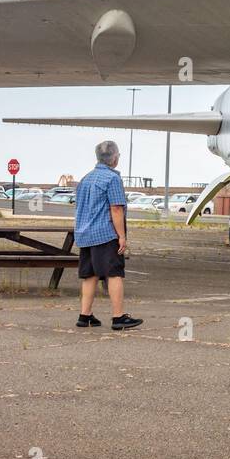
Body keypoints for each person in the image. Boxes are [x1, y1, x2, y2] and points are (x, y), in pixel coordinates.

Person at [73, 140, 142, 330]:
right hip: (105, 233)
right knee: (114, 273)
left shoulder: (85, 179)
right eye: (118, 155)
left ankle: (85, 315)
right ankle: (118, 317)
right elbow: (116, 208)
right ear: (114, 158)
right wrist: (121, 236)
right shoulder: (112, 179)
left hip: (85, 234)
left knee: (90, 274)